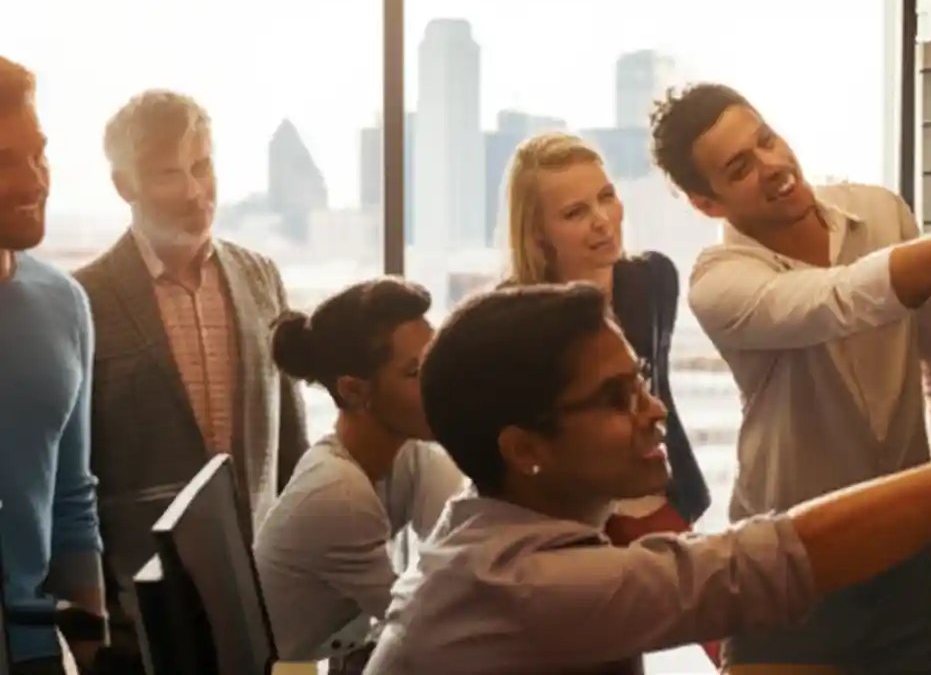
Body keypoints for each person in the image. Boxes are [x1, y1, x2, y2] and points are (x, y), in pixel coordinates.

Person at [363, 284, 931, 675]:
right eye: (616, 399)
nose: (653, 411)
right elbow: (777, 556)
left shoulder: (484, 528)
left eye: (641, 379)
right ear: (524, 447)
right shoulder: (525, 586)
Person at [648, 82, 931, 672]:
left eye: (767, 140)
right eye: (739, 168)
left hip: (904, 563)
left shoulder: (881, 211)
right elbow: (844, 299)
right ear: (707, 203)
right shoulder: (718, 281)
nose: (773, 166)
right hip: (787, 571)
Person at [73, 89, 307, 668]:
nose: (195, 192)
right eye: (168, 175)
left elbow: (294, 449)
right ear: (125, 186)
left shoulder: (261, 278)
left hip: (259, 597)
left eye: (202, 166)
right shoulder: (83, 301)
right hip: (140, 611)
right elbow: (73, 476)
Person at [500, 132, 710, 542]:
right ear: (538, 232)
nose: (601, 219)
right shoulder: (514, 316)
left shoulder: (653, 281)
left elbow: (656, 385)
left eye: (606, 196)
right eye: (575, 212)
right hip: (571, 519)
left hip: (664, 496)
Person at [254, 277, 464, 674]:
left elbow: (462, 547)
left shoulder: (407, 454)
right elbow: (416, 623)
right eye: (416, 372)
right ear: (353, 391)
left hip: (338, 651)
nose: (441, 383)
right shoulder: (339, 493)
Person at [0, 55, 107, 675]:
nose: (34, 181)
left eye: (37, 154)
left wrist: (96, 657)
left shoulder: (64, 303)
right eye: (3, 162)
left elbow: (72, 500)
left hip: (36, 656)